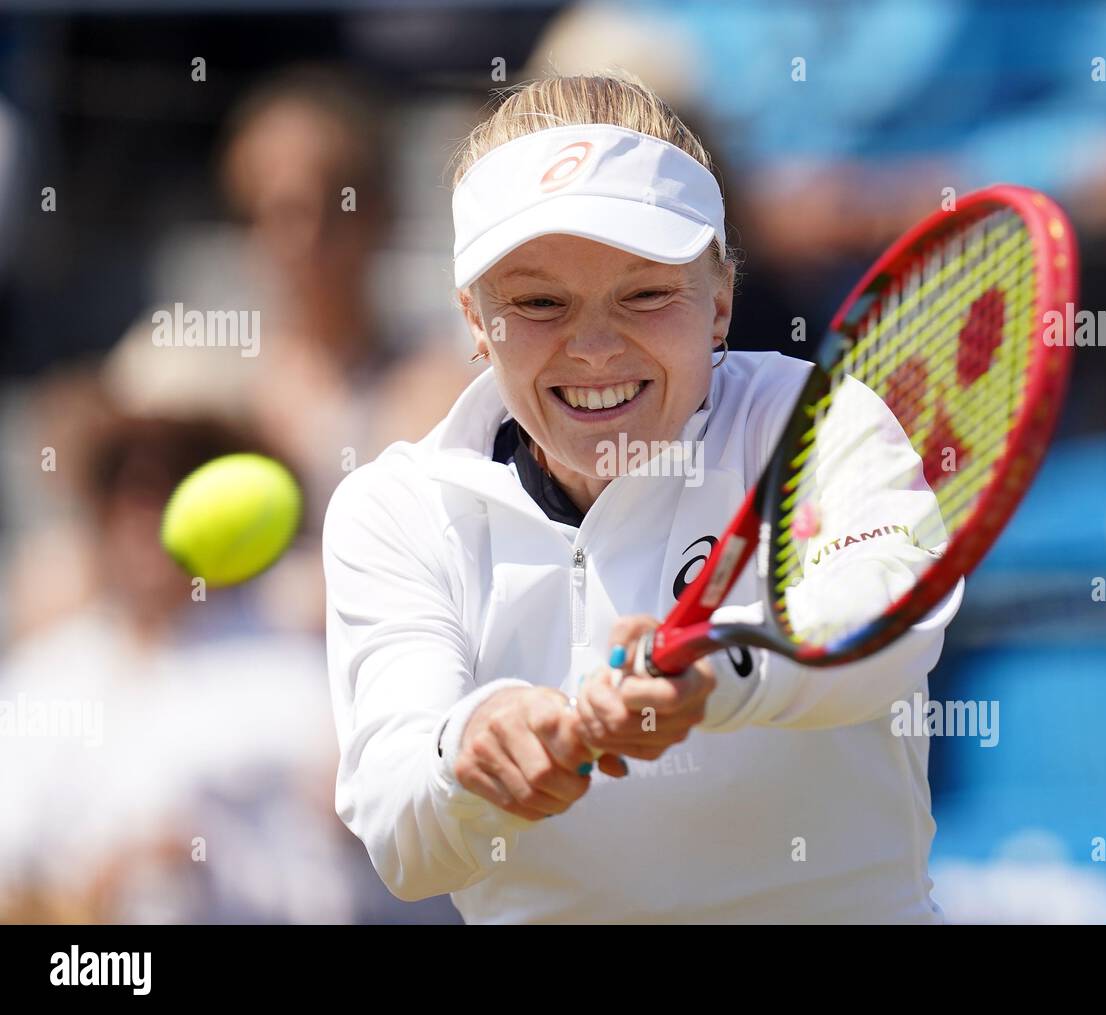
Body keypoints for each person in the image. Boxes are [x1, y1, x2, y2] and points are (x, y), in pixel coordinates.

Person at [322, 73, 962, 923]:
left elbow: (889, 617)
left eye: (646, 293)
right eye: (539, 302)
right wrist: (474, 748)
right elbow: (403, 831)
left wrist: (715, 666)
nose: (593, 347)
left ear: (721, 302)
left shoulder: (817, 422)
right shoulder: (393, 508)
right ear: (476, 322)